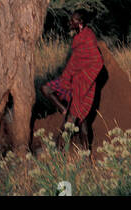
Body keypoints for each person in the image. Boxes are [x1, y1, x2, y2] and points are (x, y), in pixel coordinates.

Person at [42, 10, 105, 151]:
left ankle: (64, 155)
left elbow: (98, 62)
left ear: (80, 23)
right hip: (72, 81)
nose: (70, 23)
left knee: (79, 123)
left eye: (73, 20)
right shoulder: (78, 38)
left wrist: (83, 78)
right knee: (46, 89)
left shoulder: (88, 38)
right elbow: (75, 62)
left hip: (84, 85)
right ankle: (64, 110)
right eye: (71, 20)